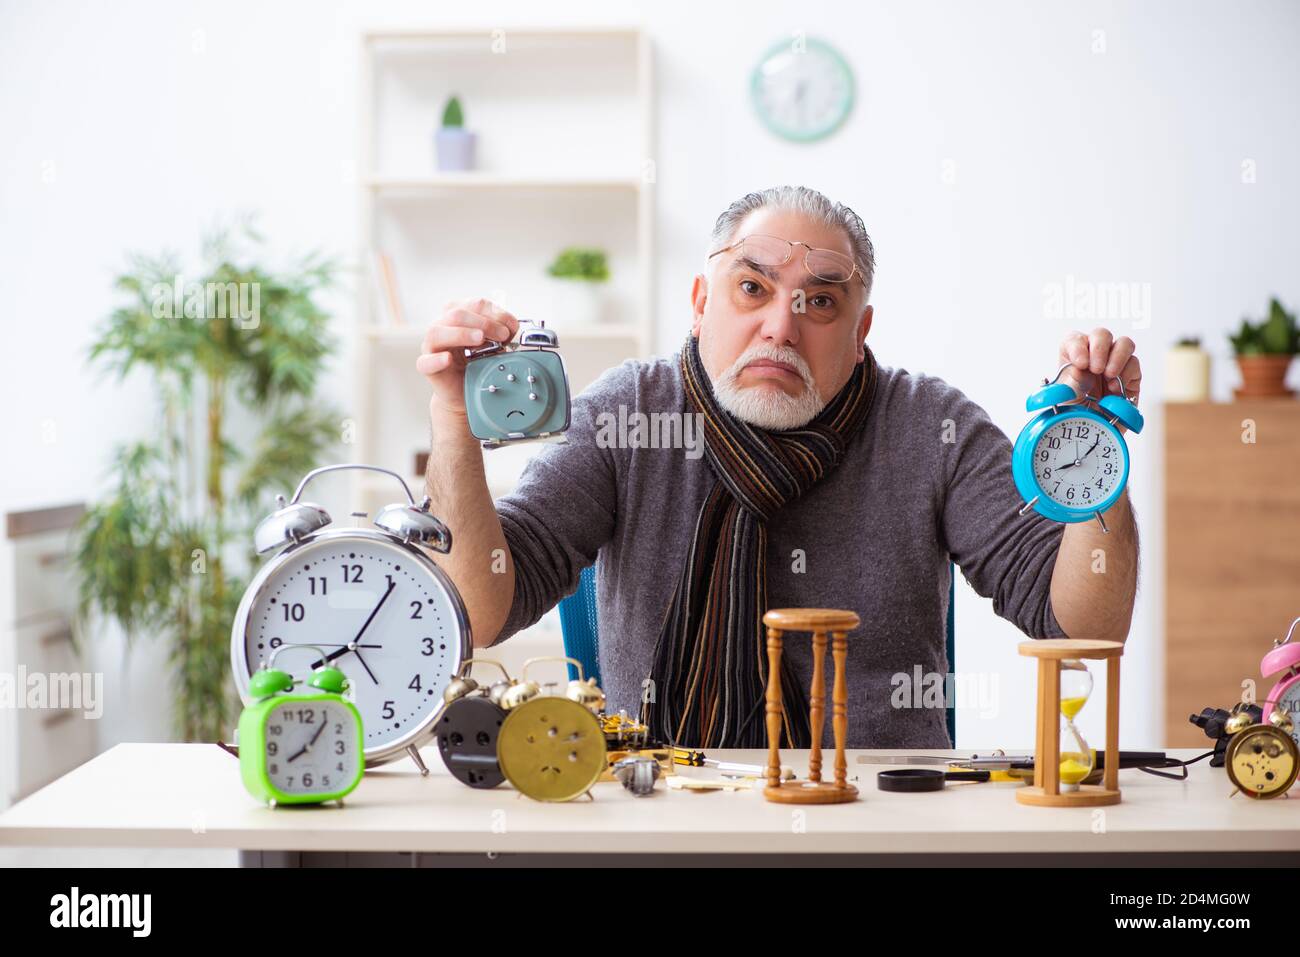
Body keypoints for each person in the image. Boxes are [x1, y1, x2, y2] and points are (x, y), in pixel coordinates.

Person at [415, 185, 1140, 748]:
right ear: (701, 303)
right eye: (752, 287)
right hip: (668, 810)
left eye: (819, 301)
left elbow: (1083, 629)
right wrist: (453, 422)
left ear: (860, 333)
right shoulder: (627, 413)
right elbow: (477, 613)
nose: (781, 325)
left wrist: (1095, 449)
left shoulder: (928, 425)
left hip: (878, 823)